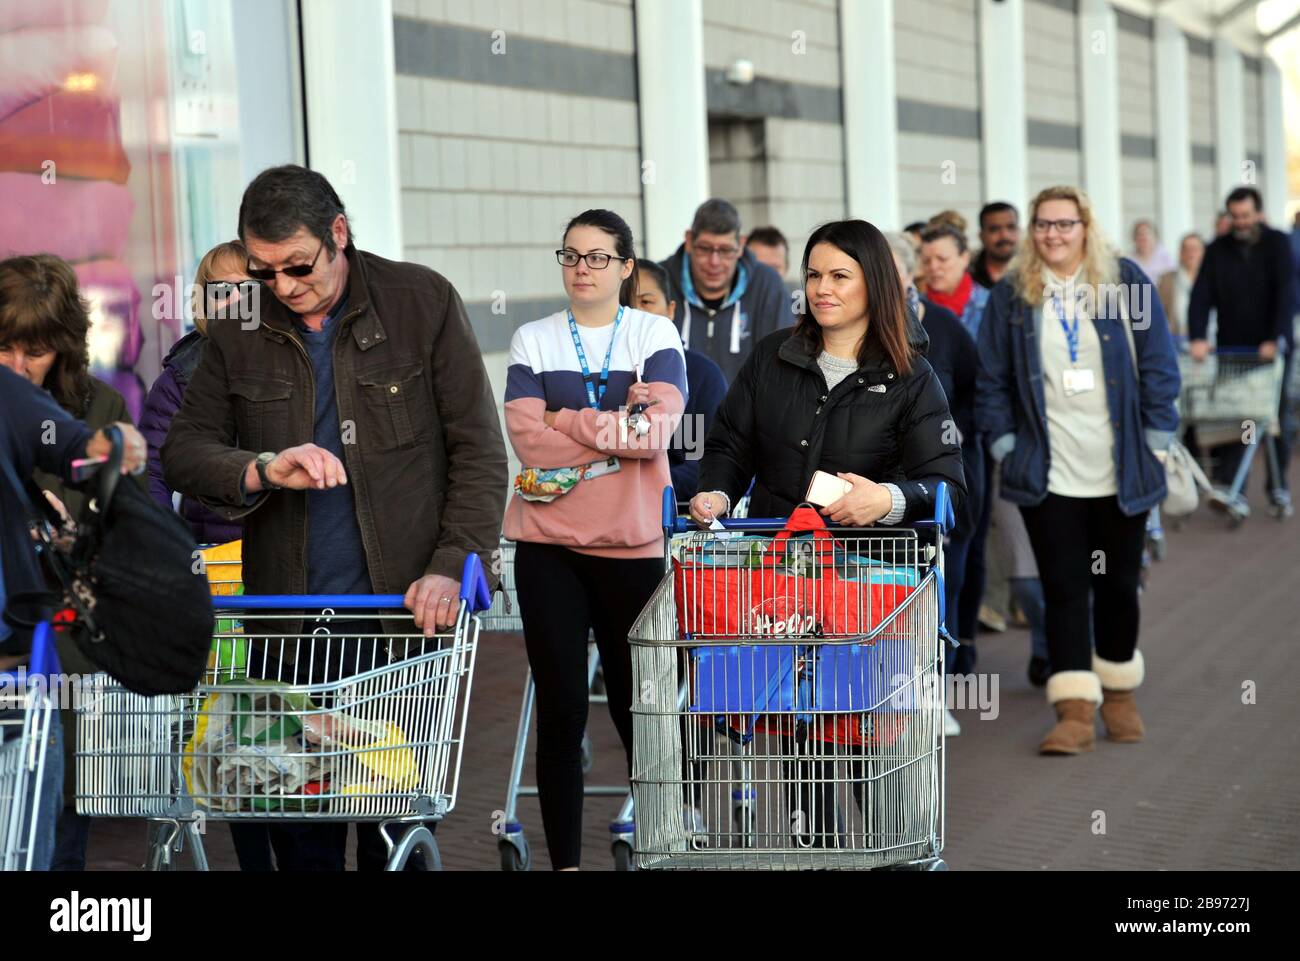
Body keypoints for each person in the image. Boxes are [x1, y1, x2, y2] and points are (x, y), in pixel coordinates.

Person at [162, 164, 508, 870]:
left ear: (338, 234)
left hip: (399, 626)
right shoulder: (238, 327)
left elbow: (478, 453)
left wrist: (449, 568)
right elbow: (183, 454)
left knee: (394, 835)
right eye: (263, 271)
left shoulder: (421, 302)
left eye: (298, 266)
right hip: (290, 626)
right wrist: (261, 466)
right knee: (303, 834)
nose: (283, 287)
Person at [691, 219, 965, 844]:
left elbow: (947, 483)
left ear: (875, 285)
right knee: (796, 719)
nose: (822, 288)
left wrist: (887, 499)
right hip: (782, 582)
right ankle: (812, 840)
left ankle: (877, 843)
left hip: (868, 591)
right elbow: (731, 444)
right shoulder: (773, 357)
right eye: (814, 274)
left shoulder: (911, 376)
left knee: (856, 724)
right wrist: (719, 490)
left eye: (840, 276)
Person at [502, 209, 685, 870]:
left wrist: (567, 418)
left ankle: (665, 846)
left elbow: (653, 435)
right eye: (571, 255)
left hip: (630, 546)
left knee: (641, 713)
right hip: (547, 544)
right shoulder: (533, 338)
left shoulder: (654, 333)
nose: (582, 268)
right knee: (561, 715)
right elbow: (525, 437)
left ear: (626, 265)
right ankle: (567, 865)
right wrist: (610, 425)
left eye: (597, 257)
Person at [977, 185, 1180, 755]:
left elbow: (1161, 364)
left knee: (1118, 586)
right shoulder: (1012, 297)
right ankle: (1073, 709)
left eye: (1065, 224)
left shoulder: (1123, 281)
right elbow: (991, 382)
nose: (1053, 235)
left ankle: (1117, 691)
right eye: (1043, 224)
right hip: (1049, 470)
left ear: (1085, 227)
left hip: (1123, 467)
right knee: (1063, 587)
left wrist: (1158, 444)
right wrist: (1006, 447)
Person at [0, 252, 147, 871]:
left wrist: (77, 530)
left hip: (64, 649)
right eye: (2, 347)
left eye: (33, 351)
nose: (15, 366)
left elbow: (129, 526)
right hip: (12, 638)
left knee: (56, 818)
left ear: (63, 347)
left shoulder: (98, 407)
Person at [887, 231, 979, 736]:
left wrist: (951, 432)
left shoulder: (941, 325)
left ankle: (930, 692)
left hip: (934, 486)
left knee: (937, 587)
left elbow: (974, 385)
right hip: (876, 491)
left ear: (906, 276)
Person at [1188, 187, 1295, 515]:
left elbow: (1287, 291)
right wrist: (1198, 337)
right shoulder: (1218, 249)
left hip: (1270, 350)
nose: (1240, 222)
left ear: (1258, 214)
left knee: (1272, 417)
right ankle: (1234, 487)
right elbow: (1201, 295)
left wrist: (1275, 336)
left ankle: (1278, 488)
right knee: (1236, 414)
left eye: (1246, 216)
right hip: (1233, 348)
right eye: (1235, 217)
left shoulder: (1277, 244)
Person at [139, 241, 251, 543]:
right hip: (214, 561)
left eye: (251, 289)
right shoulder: (179, 377)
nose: (237, 300)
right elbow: (152, 472)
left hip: (296, 560)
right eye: (222, 291)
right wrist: (167, 547)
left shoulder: (303, 364)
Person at [920, 223, 992, 671]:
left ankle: (960, 643)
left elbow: (979, 382)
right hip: (912, 470)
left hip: (968, 454)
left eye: (942, 259)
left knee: (967, 551)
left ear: (965, 259)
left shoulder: (976, 310)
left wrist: (965, 430)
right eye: (927, 260)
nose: (934, 268)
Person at [660, 198, 793, 383]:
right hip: (678, 411)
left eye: (725, 250)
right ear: (689, 241)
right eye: (705, 249)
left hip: (746, 410)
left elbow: (782, 368)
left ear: (741, 245)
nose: (714, 262)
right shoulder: (658, 284)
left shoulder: (768, 285)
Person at [633, 258, 726, 503]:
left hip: (683, 519)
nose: (637, 314)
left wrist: (638, 485)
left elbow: (710, 463)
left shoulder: (703, 375)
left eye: (646, 302)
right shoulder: (602, 377)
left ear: (671, 310)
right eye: (626, 305)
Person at [1156, 232, 1205, 340]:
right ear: (1180, 253)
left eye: (1195, 249)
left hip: (1209, 343)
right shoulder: (1166, 280)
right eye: (1186, 249)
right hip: (1176, 340)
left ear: (1203, 252)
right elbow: (1158, 313)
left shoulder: (1212, 279)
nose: (1190, 253)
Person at [970, 202, 1021, 290]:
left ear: (1019, 231)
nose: (1004, 235)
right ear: (981, 236)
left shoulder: (1036, 272)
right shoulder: (967, 273)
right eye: (994, 229)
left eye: (1011, 227)